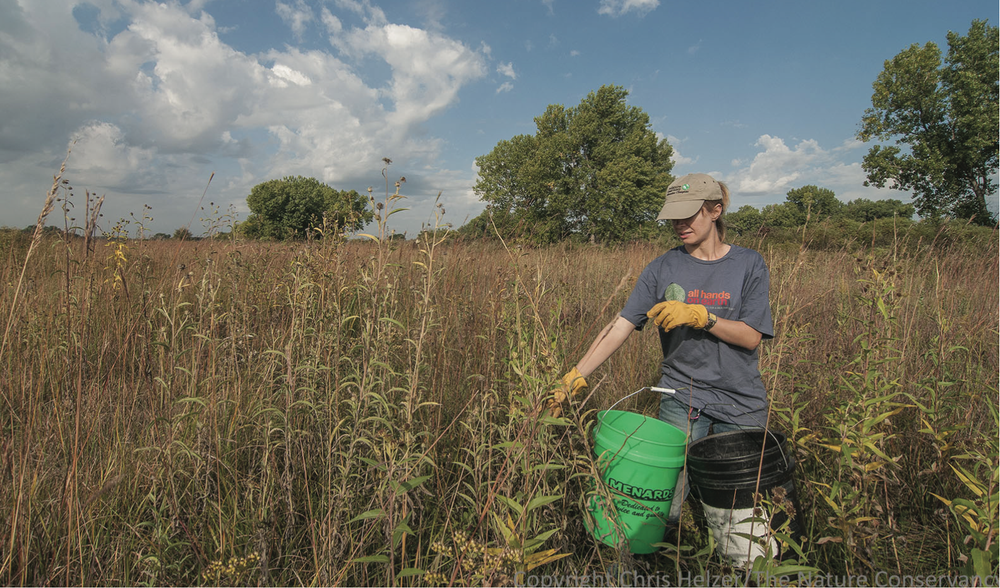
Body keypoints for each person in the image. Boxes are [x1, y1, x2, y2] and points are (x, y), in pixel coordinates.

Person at [547, 172, 774, 526]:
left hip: (740, 400)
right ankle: (656, 563)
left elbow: (751, 336)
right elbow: (620, 325)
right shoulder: (662, 267)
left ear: (715, 210)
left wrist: (703, 318)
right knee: (663, 502)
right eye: (674, 217)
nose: (679, 224)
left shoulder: (748, 264)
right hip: (682, 395)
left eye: (689, 214)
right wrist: (574, 376)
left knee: (736, 509)